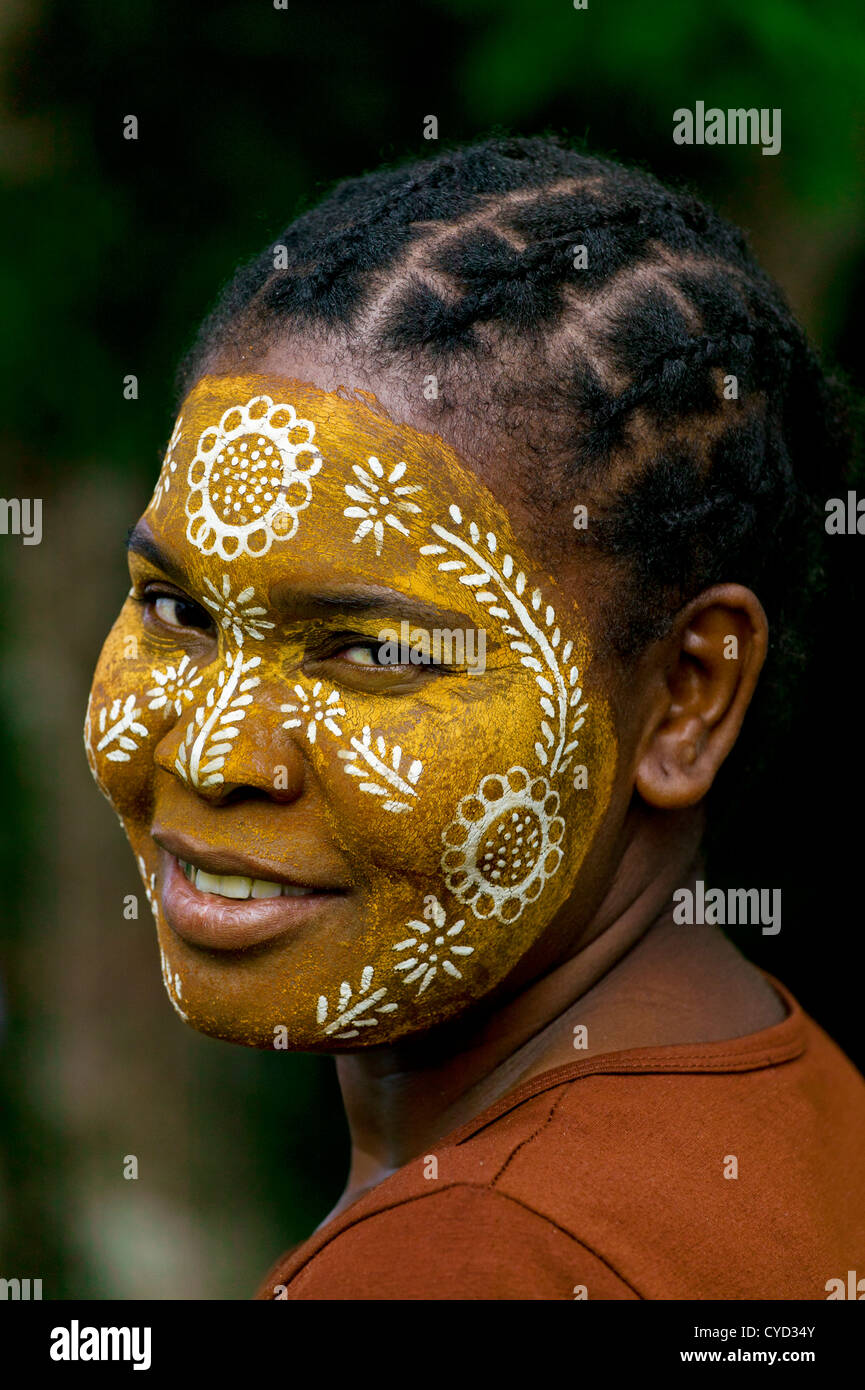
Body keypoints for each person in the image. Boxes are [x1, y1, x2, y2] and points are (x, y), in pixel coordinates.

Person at [86, 135, 865, 1300]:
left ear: (685, 700)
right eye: (175, 609)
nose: (211, 750)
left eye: (371, 651)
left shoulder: (462, 1265)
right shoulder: (794, 1107)